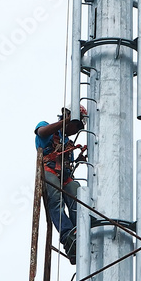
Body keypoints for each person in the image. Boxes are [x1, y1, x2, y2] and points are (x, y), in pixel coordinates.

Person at [34, 107, 87, 263]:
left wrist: (78, 159)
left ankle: (78, 230)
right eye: (77, 125)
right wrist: (67, 120)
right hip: (49, 170)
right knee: (56, 200)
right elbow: (41, 132)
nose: (77, 130)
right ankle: (67, 234)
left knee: (77, 193)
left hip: (65, 176)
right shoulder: (47, 128)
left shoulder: (68, 142)